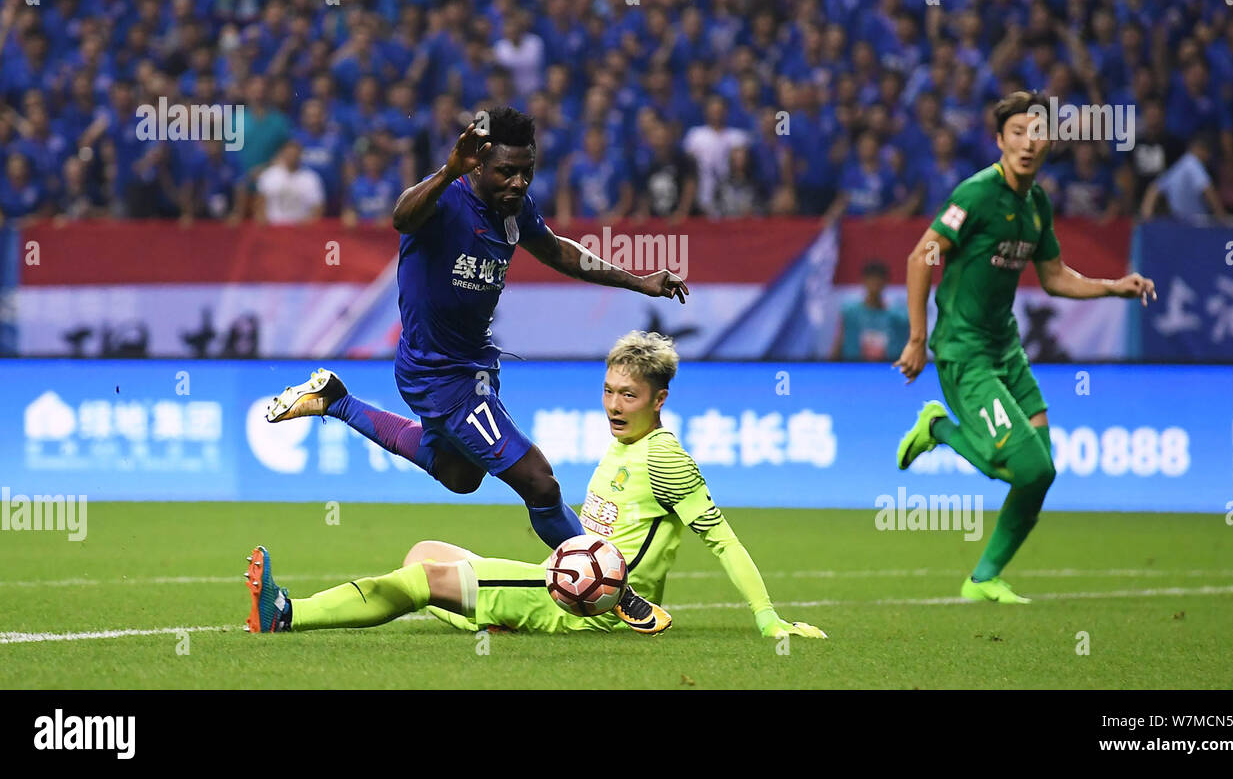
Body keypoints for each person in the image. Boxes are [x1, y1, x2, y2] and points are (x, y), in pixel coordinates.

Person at [265, 107, 688, 633]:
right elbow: (400, 218)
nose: (517, 183)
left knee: (461, 476)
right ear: (478, 163)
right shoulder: (444, 200)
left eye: (526, 172)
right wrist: (445, 171)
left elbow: (558, 251)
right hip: (440, 378)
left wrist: (640, 281)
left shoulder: (515, 210)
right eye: (506, 171)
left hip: (475, 368)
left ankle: (337, 399)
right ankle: (614, 590)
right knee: (539, 481)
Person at [246, 332, 826, 641]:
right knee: (424, 552)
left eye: (629, 395)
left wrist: (768, 618)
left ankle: (286, 614)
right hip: (571, 580)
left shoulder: (665, 456)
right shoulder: (624, 446)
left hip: (595, 606)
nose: (615, 406)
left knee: (421, 579)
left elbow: (721, 539)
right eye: (609, 391)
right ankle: (497, 618)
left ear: (659, 399)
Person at [892, 91, 1156, 603]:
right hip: (964, 352)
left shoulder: (1037, 206)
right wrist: (918, 337)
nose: (1027, 143)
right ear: (999, 141)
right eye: (1016, 133)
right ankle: (938, 427)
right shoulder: (976, 194)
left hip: (1005, 352)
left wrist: (1112, 285)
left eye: (1036, 133)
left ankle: (983, 579)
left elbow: (1054, 276)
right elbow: (921, 256)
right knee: (1027, 466)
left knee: (1042, 473)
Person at [832, 260, 909, 361]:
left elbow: (910, 347)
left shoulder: (899, 317)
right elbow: (839, 342)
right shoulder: (851, 313)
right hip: (854, 368)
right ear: (863, 280)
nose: (874, 285)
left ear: (886, 282)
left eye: (878, 280)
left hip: (887, 370)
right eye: (871, 279)